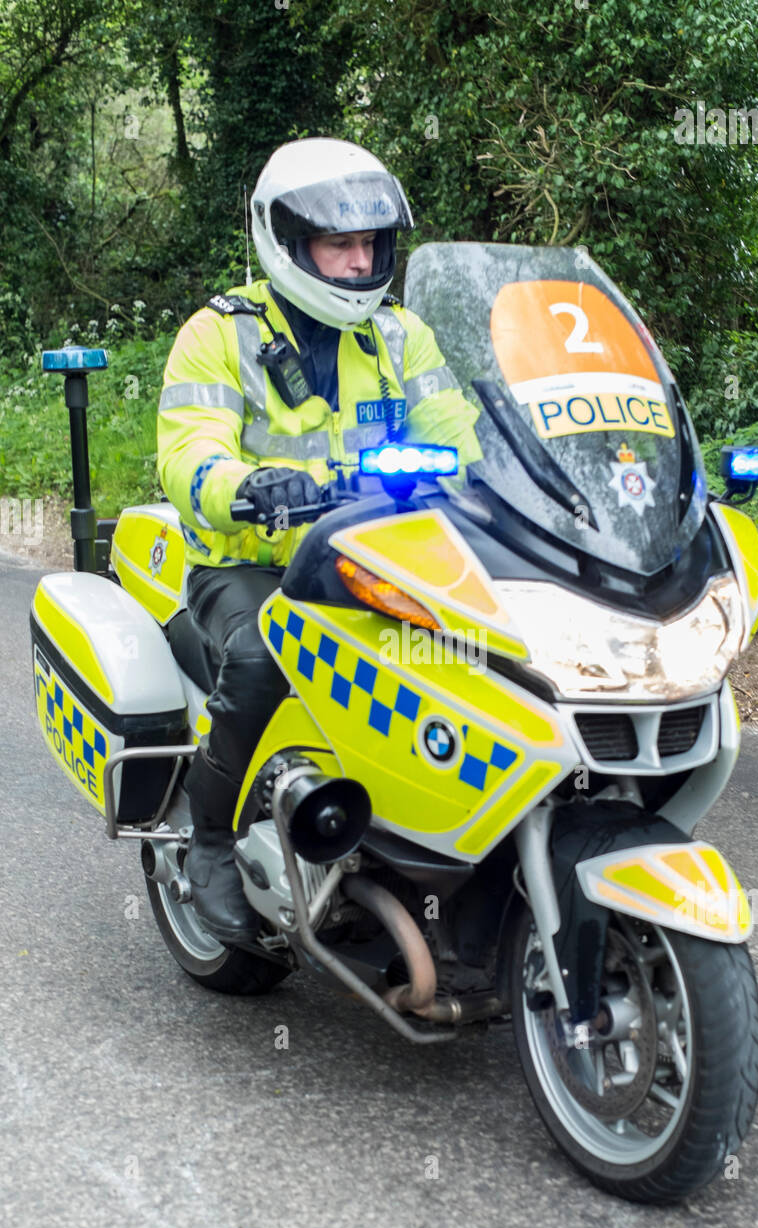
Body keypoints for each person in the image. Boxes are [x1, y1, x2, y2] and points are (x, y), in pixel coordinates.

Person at [156, 137, 483, 945]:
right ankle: (211, 844)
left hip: (382, 561)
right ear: (289, 242)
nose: (358, 259)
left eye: (370, 243)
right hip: (252, 566)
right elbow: (187, 452)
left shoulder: (403, 336)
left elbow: (463, 435)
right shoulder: (219, 333)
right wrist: (247, 485)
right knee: (265, 654)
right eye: (340, 243)